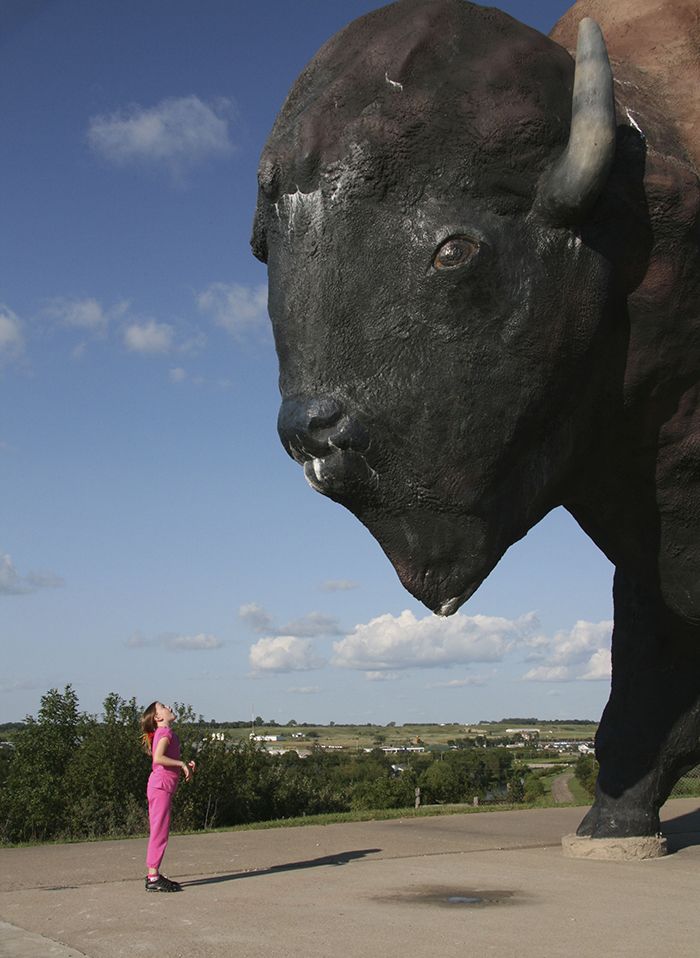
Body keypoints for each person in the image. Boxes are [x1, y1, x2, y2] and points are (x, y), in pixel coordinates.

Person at [140, 701, 195, 892]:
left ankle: (153, 874)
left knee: (160, 830)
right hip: (160, 787)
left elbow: (164, 760)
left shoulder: (168, 734)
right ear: (158, 717)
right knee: (159, 831)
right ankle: (153, 877)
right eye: (164, 706)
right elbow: (158, 758)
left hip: (161, 786)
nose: (169, 707)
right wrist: (181, 764)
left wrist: (185, 765)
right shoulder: (164, 733)